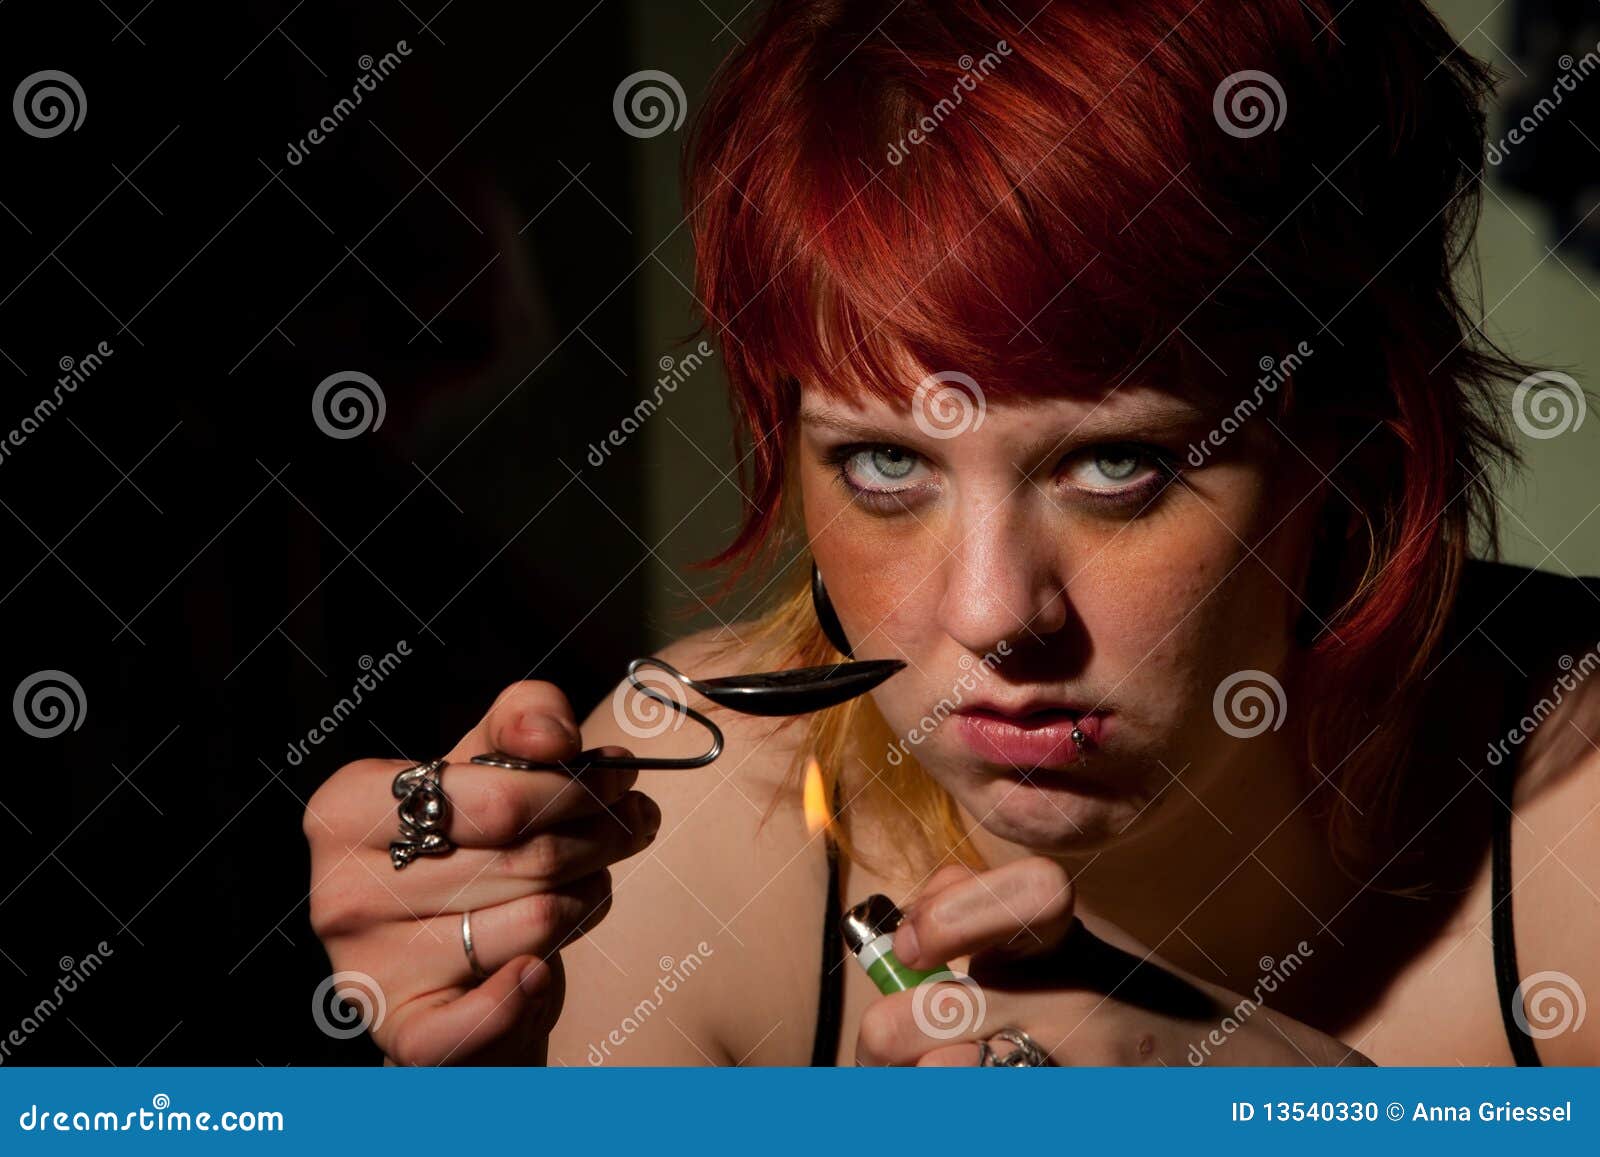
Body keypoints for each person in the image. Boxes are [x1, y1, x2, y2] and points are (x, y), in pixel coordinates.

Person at [303, 0, 1600, 1066]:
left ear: (1359, 445)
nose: (991, 614)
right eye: (882, 463)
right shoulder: (683, 832)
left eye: (1115, 465)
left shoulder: (1572, 812)